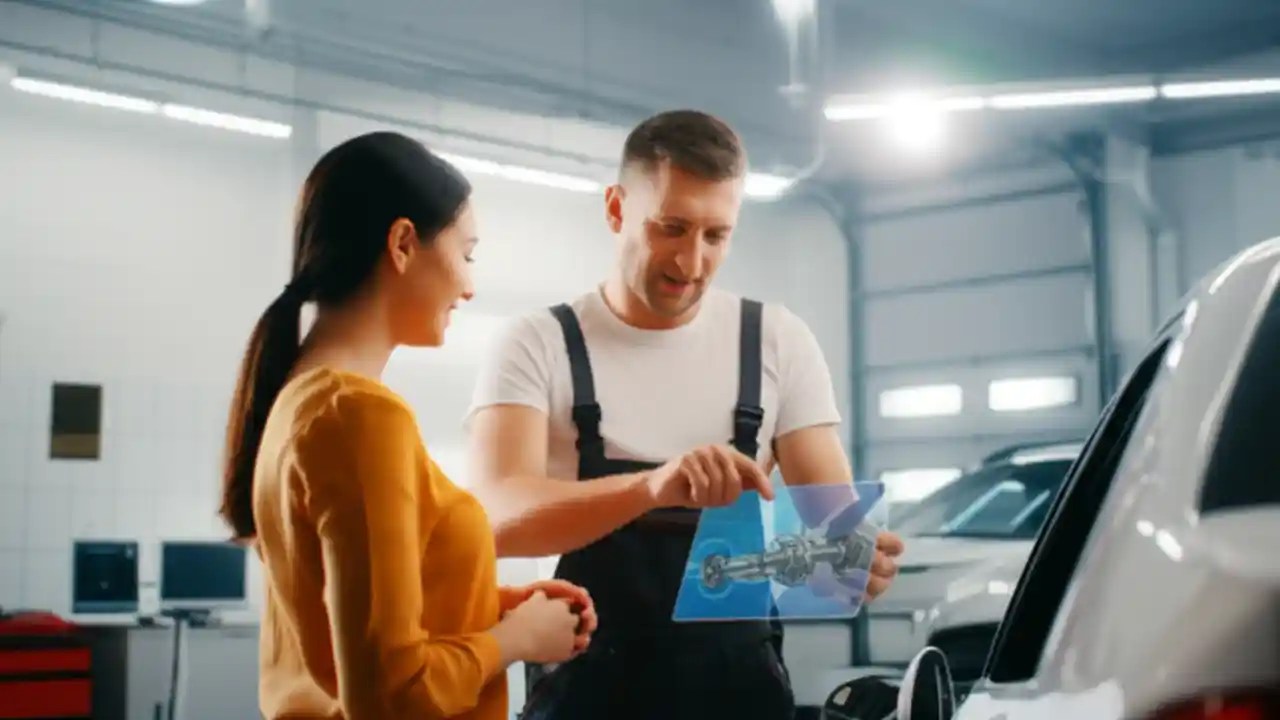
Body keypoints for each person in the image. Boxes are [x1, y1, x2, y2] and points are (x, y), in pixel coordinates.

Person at [465, 110, 906, 719]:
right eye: (670, 228)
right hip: (586, 696)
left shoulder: (775, 341)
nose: (691, 262)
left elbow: (831, 532)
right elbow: (494, 518)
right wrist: (652, 487)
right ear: (617, 210)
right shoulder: (538, 342)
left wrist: (855, 566)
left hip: (739, 698)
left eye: (715, 236)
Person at [216, 130, 598, 720]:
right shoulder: (359, 415)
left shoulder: (302, 403)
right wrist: (516, 642)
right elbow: (392, 698)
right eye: (466, 254)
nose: (470, 286)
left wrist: (490, 606)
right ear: (402, 243)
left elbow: (347, 627)